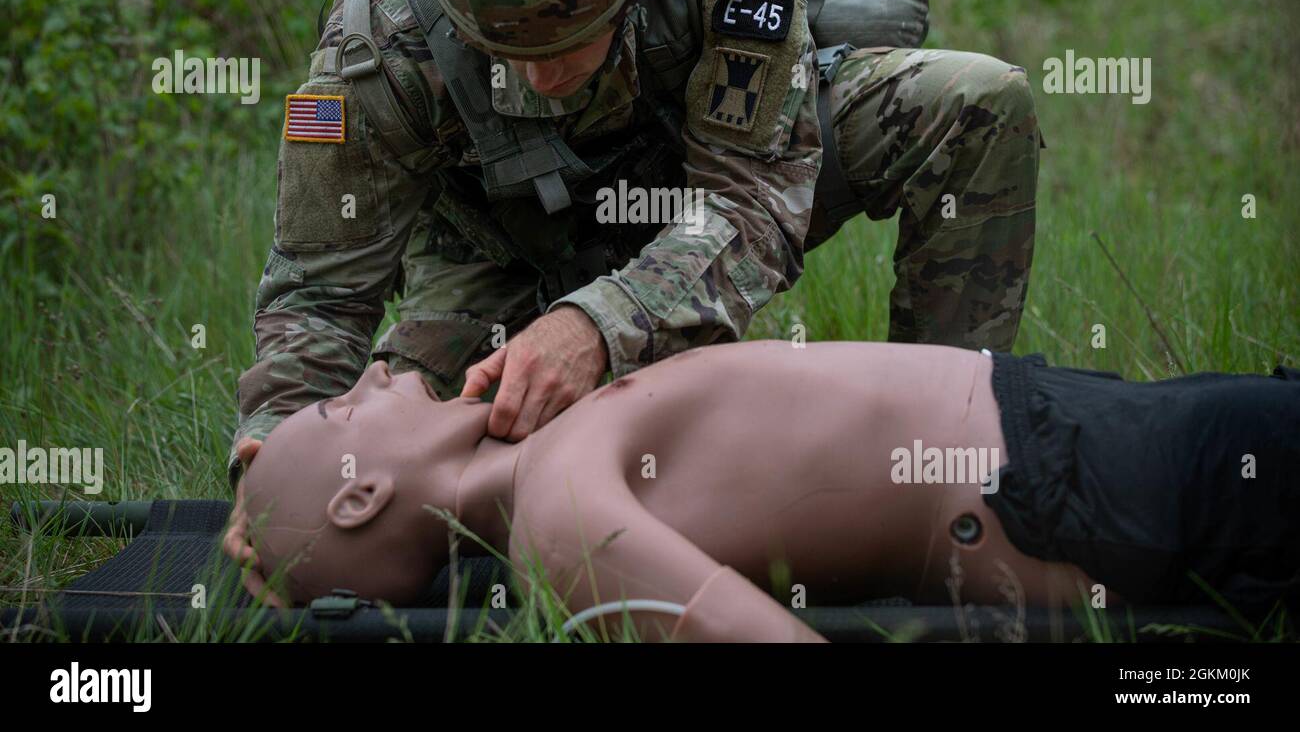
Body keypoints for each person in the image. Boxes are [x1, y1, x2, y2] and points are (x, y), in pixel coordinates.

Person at [230, 0, 1039, 521]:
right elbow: (319, 292)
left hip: (705, 182)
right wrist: (274, 460)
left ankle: (947, 455)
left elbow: (752, 205)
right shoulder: (377, 39)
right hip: (501, 252)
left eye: (572, 45)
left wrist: (596, 326)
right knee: (395, 473)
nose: (544, 78)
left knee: (975, 102)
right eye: (505, 53)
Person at [227, 342, 1300, 642]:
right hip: (1078, 481)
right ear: (362, 496)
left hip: (1087, 431)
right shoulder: (559, 513)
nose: (369, 375)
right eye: (342, 410)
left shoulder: (551, 444)